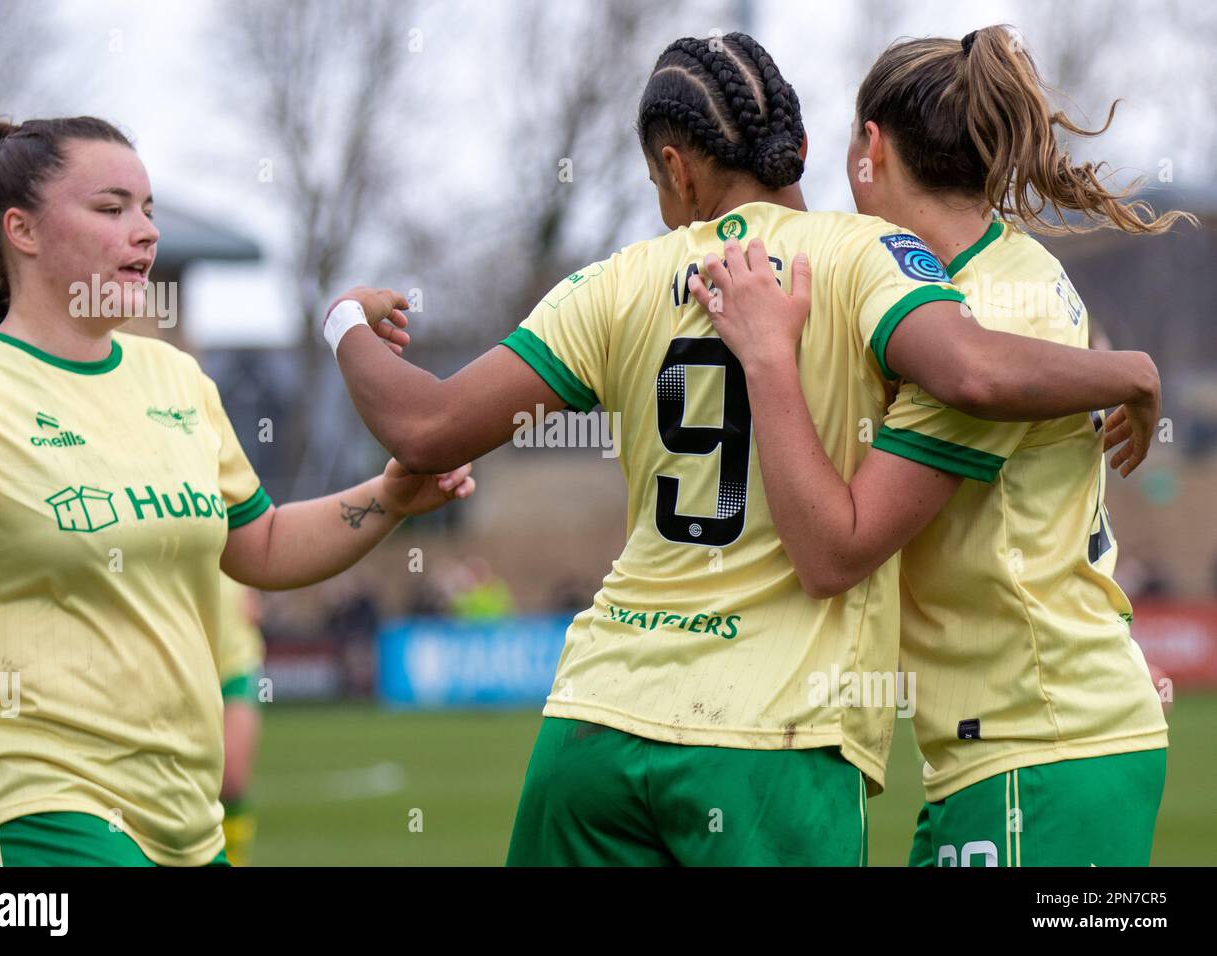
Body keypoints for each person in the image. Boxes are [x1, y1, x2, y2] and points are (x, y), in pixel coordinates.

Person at [320, 33, 1159, 865]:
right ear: (799, 145)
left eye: (656, 180)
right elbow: (971, 367)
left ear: (678, 170)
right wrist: (1122, 368)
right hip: (775, 739)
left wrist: (345, 320)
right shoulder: (874, 261)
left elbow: (423, 427)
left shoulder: (613, 283)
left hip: (594, 724)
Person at [0, 116, 475, 867]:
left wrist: (389, 497)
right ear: (22, 230)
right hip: (30, 806)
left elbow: (264, 545)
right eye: (111, 210)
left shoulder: (175, 380)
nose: (144, 232)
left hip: (185, 820)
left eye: (149, 210)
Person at [690, 25, 1183, 866]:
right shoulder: (982, 288)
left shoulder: (987, 322)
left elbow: (834, 550)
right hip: (1014, 748)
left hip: (1043, 747)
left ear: (868, 151)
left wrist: (767, 357)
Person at [217, 571, 266, 866]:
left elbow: (259, 534)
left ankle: (234, 861)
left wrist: (254, 586)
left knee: (232, 779)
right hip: (177, 659)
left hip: (233, 656)